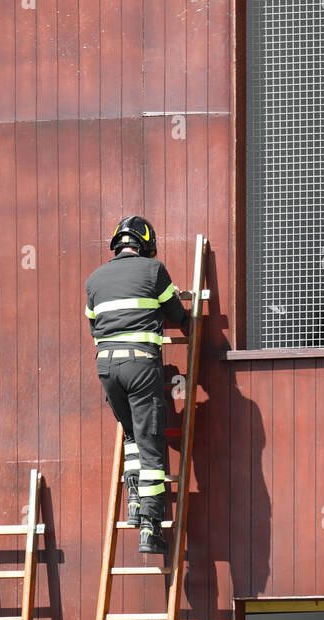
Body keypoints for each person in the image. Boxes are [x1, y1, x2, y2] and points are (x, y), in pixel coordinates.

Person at [84, 216, 190, 556]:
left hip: (106, 366)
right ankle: (150, 526)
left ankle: (133, 502)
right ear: (146, 244)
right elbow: (178, 314)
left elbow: (94, 327)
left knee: (131, 436)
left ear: (117, 243)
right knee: (151, 443)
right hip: (140, 364)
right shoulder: (153, 270)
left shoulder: (94, 280)